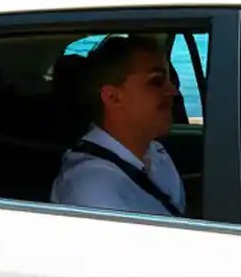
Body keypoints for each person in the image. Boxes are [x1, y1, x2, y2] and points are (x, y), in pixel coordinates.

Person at [51, 35, 186, 217]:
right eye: (156, 81)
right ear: (112, 97)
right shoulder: (92, 188)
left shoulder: (155, 153)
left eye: (170, 80)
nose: (173, 91)